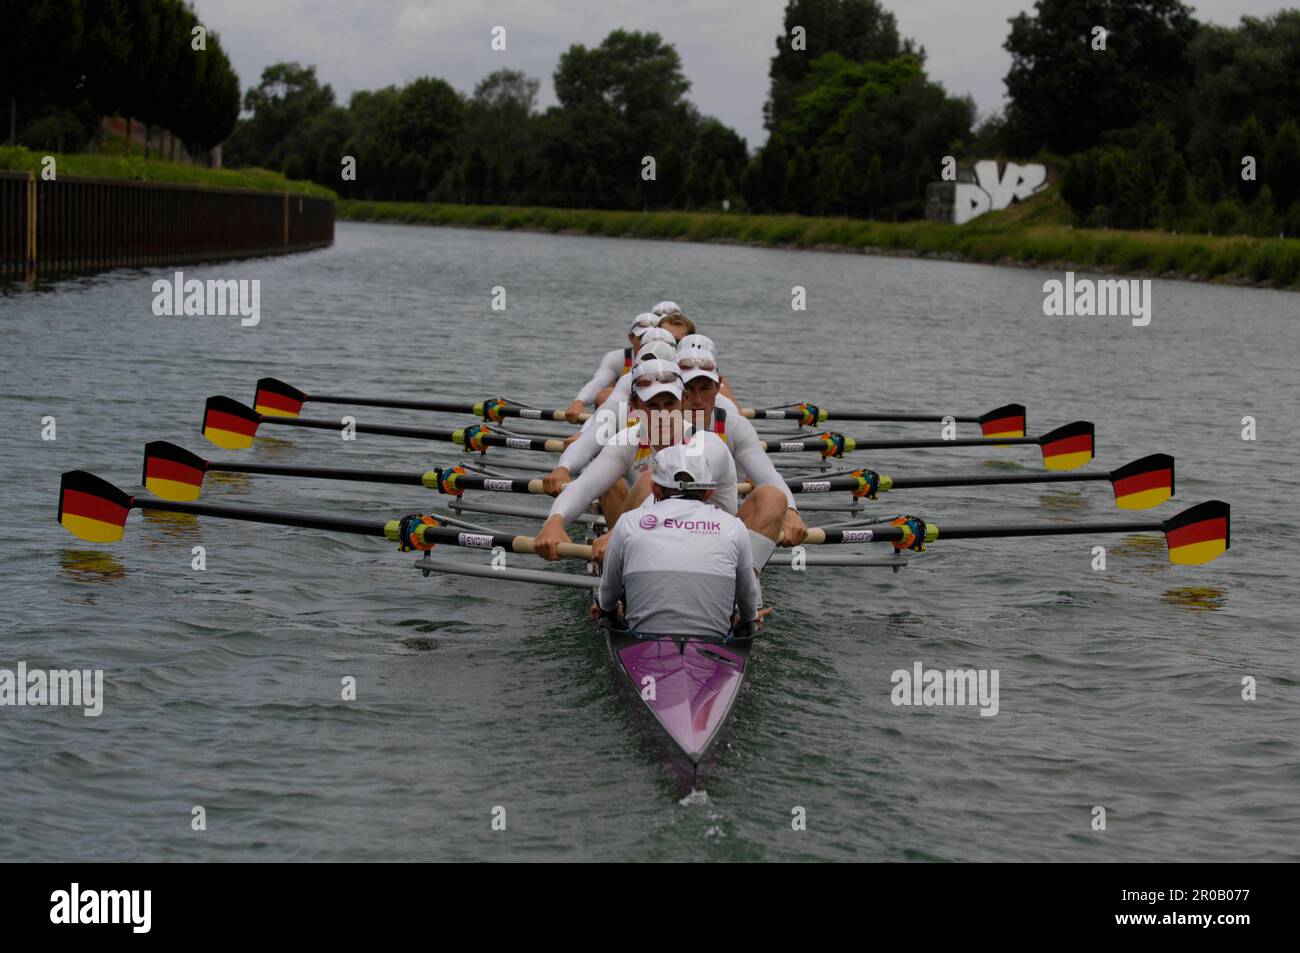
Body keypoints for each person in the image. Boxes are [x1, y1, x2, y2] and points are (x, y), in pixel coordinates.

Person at [534, 360, 736, 560]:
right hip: (656, 545)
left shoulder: (707, 444)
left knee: (651, 478)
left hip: (709, 550)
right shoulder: (627, 441)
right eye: (652, 405)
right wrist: (555, 520)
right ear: (634, 405)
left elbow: (672, 499)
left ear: (683, 401)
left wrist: (619, 532)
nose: (662, 415)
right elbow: (586, 487)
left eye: (669, 404)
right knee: (626, 482)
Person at [591, 443, 761, 639]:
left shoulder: (627, 522)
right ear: (709, 492)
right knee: (745, 621)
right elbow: (747, 592)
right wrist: (748, 619)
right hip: (714, 641)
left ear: (654, 488)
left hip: (643, 638)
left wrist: (608, 610)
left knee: (608, 612)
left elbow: (609, 590)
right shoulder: (735, 526)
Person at [564, 314, 667, 423]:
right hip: (627, 414)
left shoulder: (671, 360)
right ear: (631, 338)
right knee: (605, 394)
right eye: (642, 338)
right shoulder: (617, 358)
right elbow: (598, 383)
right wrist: (579, 402)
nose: (646, 344)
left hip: (661, 414)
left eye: (652, 339)